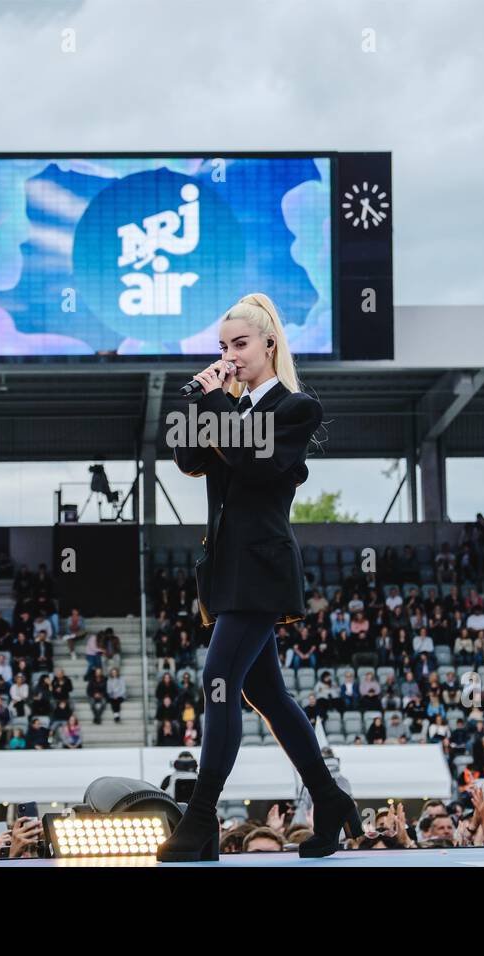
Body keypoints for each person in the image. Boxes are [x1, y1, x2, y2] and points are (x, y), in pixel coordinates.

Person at [155, 293, 359, 863]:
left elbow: (254, 462)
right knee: (262, 690)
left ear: (269, 345)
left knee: (218, 677)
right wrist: (200, 402)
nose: (230, 355)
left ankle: (200, 822)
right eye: (222, 347)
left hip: (262, 570)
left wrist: (218, 399)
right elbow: (188, 458)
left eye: (239, 344)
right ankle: (328, 795)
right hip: (227, 570)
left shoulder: (295, 409)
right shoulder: (234, 409)